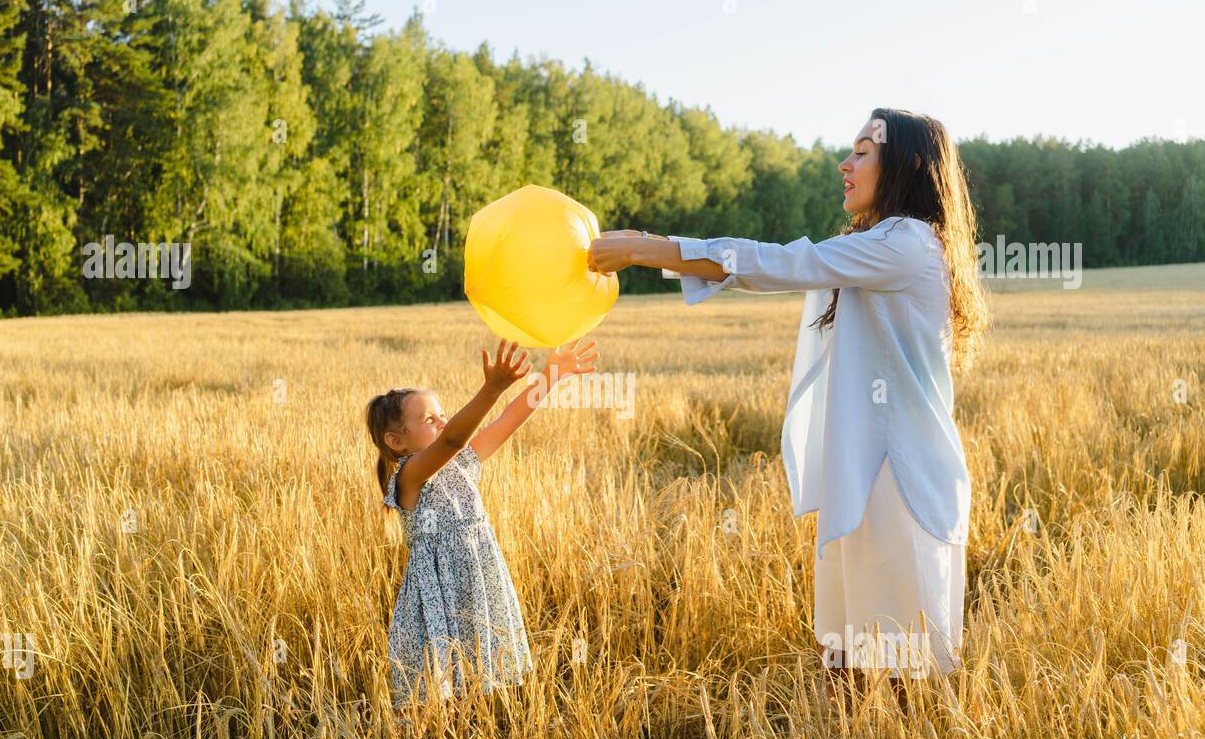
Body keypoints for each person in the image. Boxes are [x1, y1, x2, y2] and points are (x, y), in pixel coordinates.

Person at [588, 107, 989, 697]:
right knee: (849, 664)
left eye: (861, 152)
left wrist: (652, 247)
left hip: (900, 486)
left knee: (899, 678)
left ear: (904, 163)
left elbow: (782, 262)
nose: (844, 164)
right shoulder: (892, 243)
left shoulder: (904, 243)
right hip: (868, 478)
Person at [367, 337, 599, 708]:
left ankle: (479, 733)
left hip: (478, 578)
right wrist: (491, 388)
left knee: (478, 674)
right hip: (439, 593)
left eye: (442, 414)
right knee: (439, 685)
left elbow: (509, 420)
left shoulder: (463, 463)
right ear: (396, 441)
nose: (443, 421)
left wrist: (551, 374)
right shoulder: (410, 475)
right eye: (430, 419)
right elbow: (452, 440)